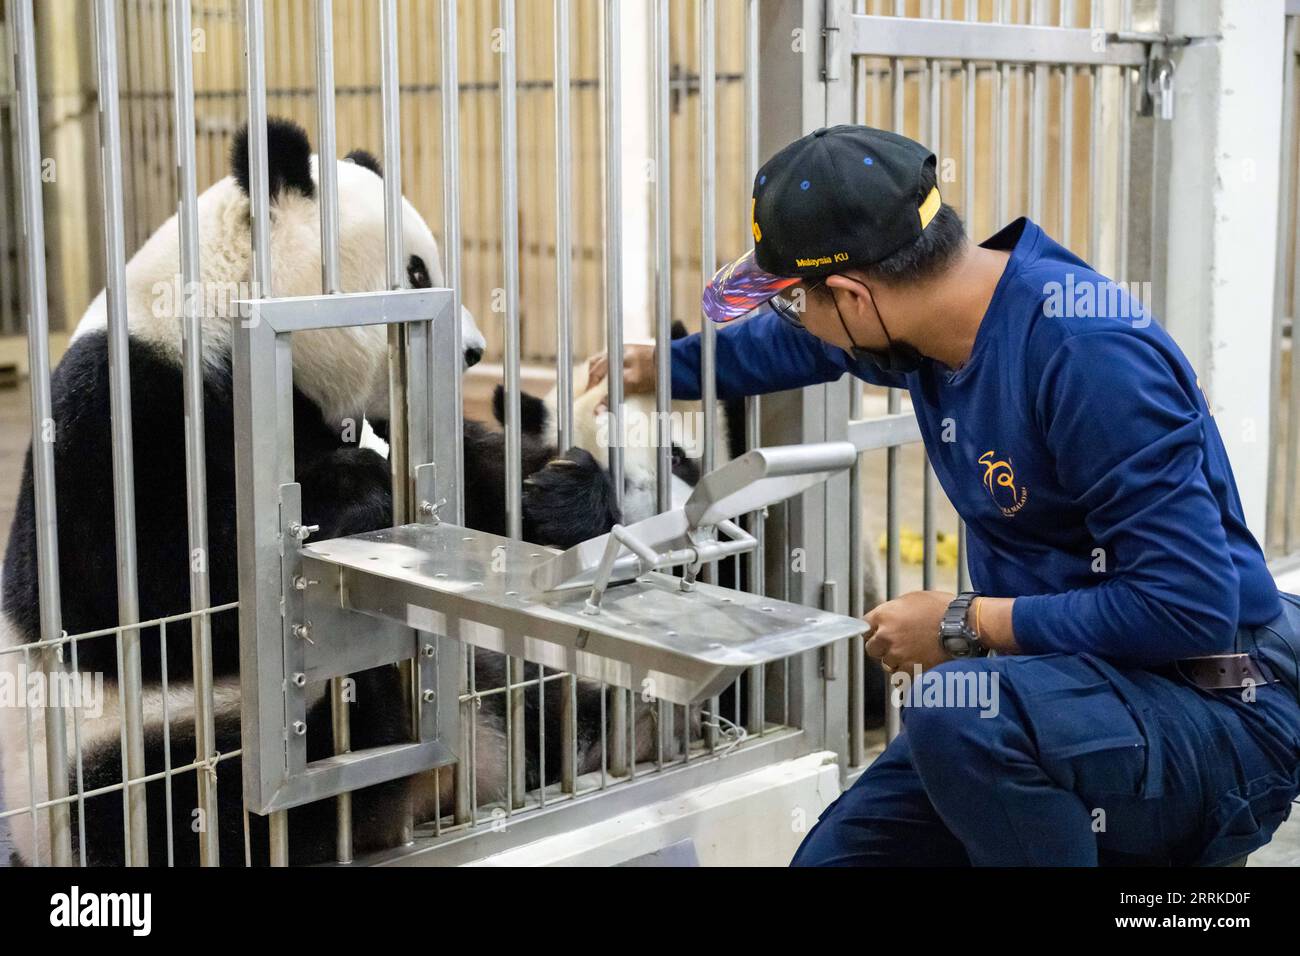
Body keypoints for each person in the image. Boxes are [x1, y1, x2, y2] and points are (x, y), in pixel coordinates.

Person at [588, 124, 1300, 866]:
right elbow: (805, 343)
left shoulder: (1090, 358)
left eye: (794, 302)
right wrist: (667, 368)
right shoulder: (931, 320)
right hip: (1063, 690)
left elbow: (1188, 606)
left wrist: (965, 622)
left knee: (958, 714)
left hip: (1213, 704)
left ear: (853, 297)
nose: (797, 321)